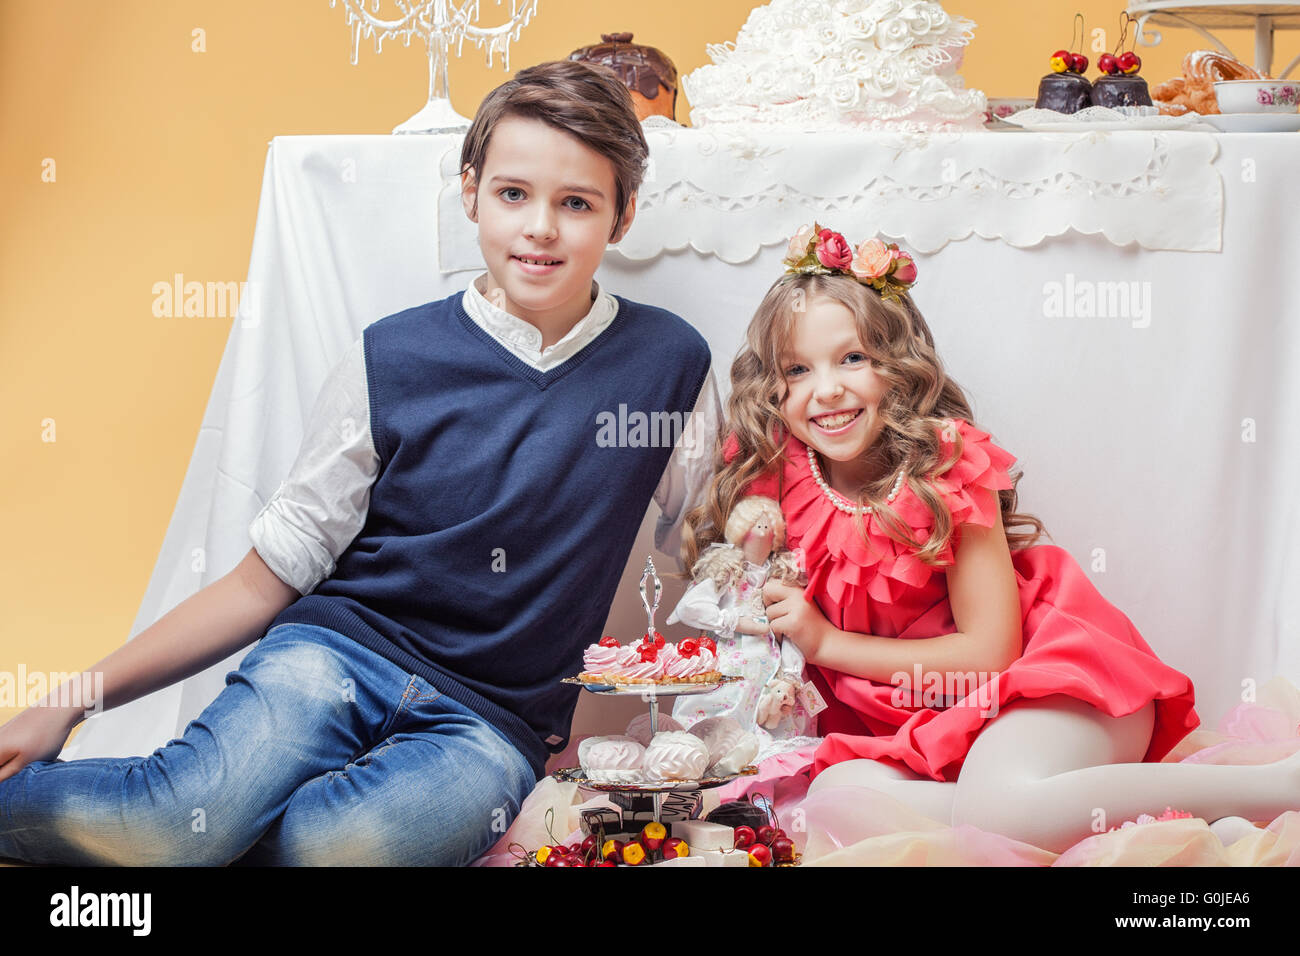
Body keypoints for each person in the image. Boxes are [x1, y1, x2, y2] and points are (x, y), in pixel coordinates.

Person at [0, 60, 719, 866]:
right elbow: (263, 577)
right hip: (333, 653)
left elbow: (707, 544)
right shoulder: (392, 355)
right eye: (514, 194)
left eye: (577, 203)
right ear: (471, 190)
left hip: (489, 722)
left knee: (334, 850)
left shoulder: (669, 363)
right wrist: (70, 701)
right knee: (176, 826)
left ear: (621, 218)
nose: (541, 228)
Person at [682, 224, 1299, 855]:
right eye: (797, 369)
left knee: (997, 802)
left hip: (1048, 686)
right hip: (930, 733)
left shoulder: (944, 467)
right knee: (837, 795)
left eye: (853, 358)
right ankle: (1159, 814)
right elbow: (731, 575)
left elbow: (991, 652)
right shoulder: (778, 477)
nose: (828, 389)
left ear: (897, 365)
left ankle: (1275, 787)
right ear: (772, 384)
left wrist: (827, 641)